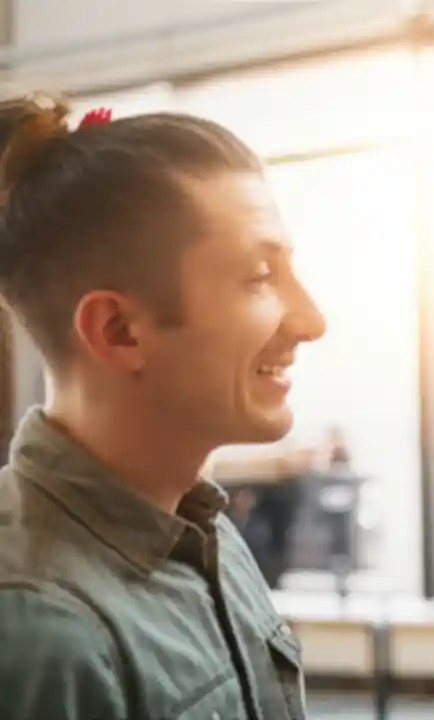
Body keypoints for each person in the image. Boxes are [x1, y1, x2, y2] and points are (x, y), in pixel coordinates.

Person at [0, 93, 326, 719]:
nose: (311, 320)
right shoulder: (41, 630)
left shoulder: (203, 531)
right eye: (259, 277)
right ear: (119, 330)